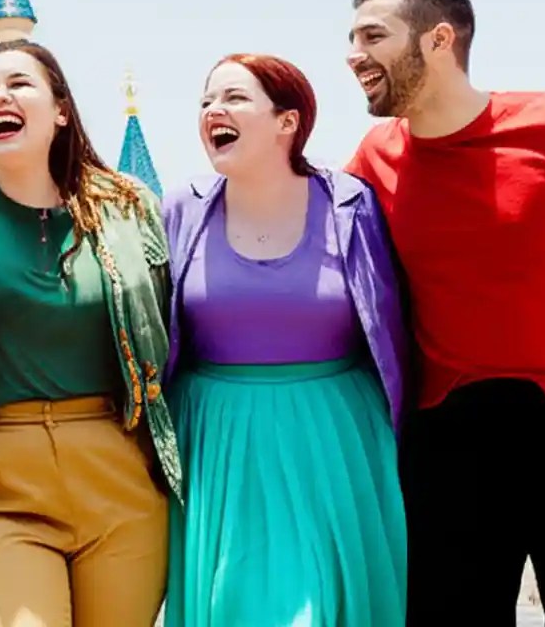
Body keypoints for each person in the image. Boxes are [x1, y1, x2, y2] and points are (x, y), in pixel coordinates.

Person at [345, 0, 545, 624]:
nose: (354, 54)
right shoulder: (374, 157)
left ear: (439, 40)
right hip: (446, 440)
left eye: (373, 36)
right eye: (351, 38)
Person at [0, 38, 180, 627]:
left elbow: (171, 335)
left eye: (18, 84)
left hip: (119, 478)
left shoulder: (130, 210)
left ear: (60, 110)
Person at [161, 53, 408, 626]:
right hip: (218, 445)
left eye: (234, 98)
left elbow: (391, 327)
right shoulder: (180, 208)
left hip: (333, 442)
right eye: (206, 101)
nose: (213, 111)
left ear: (287, 121)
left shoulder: (350, 205)